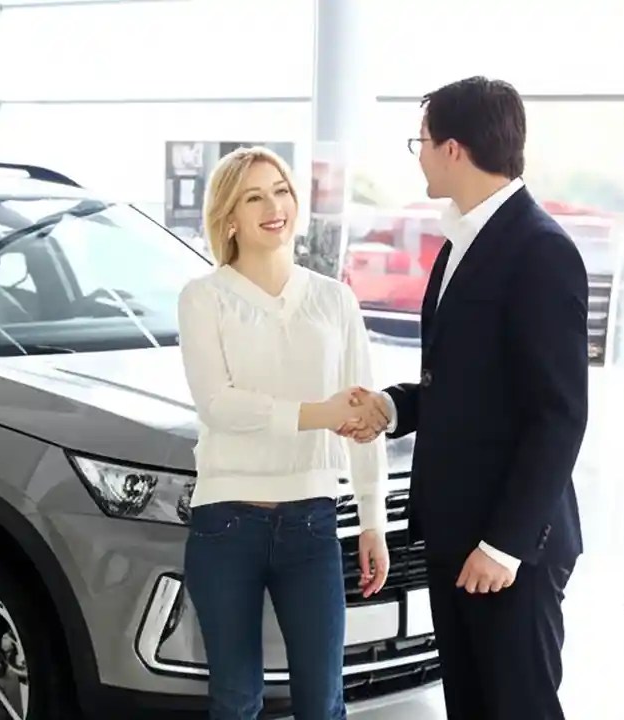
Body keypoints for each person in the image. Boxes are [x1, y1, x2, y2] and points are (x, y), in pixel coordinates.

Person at [349, 77, 588, 720]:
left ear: (454, 148)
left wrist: (505, 544)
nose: (419, 155)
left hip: (506, 547)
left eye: (420, 142)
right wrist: (393, 407)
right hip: (457, 534)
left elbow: (559, 414)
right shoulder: (464, 239)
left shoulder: (540, 250)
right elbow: (465, 381)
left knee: (519, 707)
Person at [176, 145, 392, 720]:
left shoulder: (333, 298)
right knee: (236, 698)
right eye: (254, 196)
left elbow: (364, 412)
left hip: (313, 523)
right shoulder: (204, 298)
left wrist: (373, 520)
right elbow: (219, 405)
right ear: (229, 216)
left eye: (281, 190)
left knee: (323, 702)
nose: (274, 206)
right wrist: (321, 413)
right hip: (225, 525)